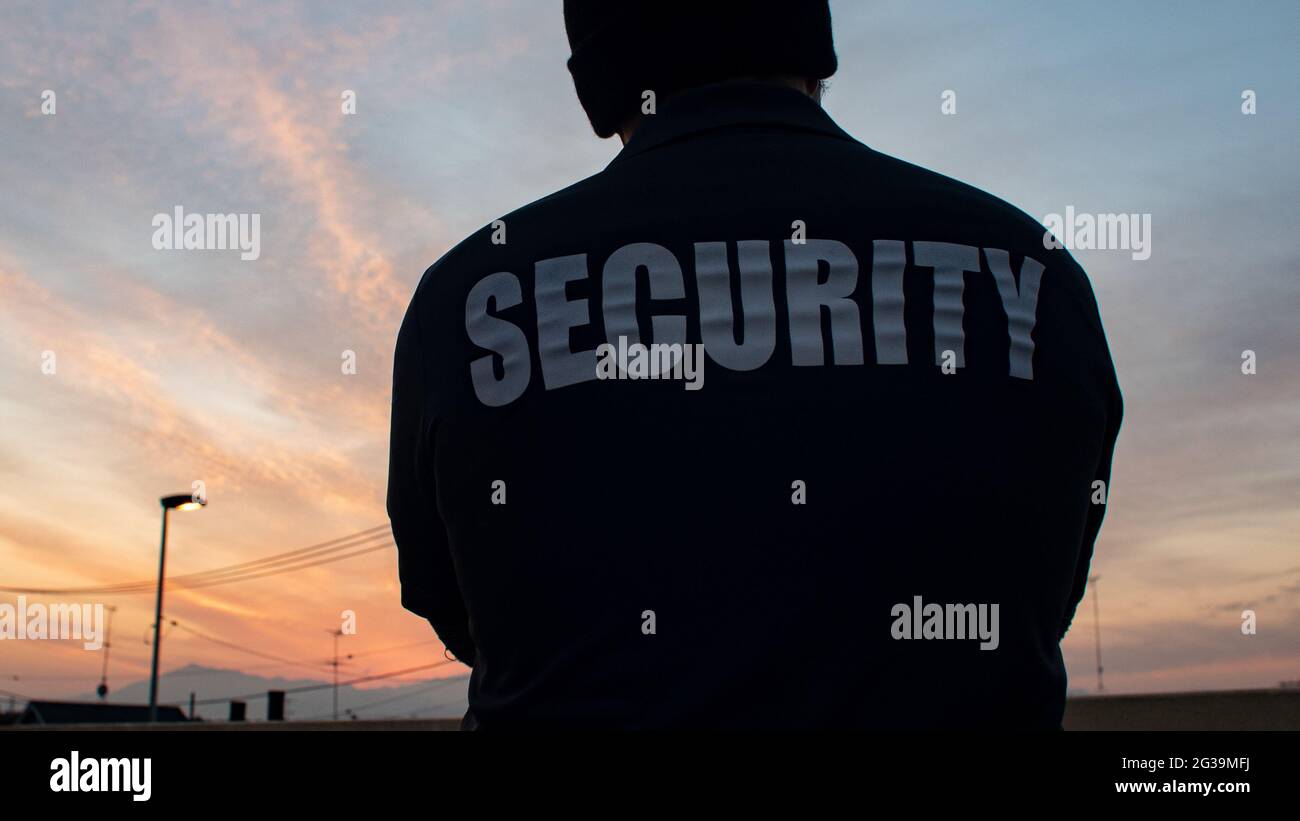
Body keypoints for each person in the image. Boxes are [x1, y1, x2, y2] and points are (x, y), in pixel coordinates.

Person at [388, 0, 1122, 729]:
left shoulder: (468, 293)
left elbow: (454, 605)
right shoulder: (1034, 269)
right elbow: (1045, 592)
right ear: (813, 48)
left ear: (599, 80)